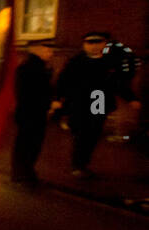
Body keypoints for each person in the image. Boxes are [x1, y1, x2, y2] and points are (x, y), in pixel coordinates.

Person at [55, 31, 142, 177]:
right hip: (79, 103)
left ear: (104, 44)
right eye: (90, 43)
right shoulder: (75, 62)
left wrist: (131, 98)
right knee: (81, 134)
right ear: (84, 45)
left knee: (93, 134)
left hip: (100, 102)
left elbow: (118, 83)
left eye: (98, 43)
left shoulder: (109, 62)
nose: (94, 47)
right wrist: (58, 99)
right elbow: (63, 81)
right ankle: (78, 164)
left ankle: (82, 164)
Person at [11, 38, 55, 184]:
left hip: (29, 112)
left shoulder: (35, 67)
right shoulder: (32, 68)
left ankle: (23, 172)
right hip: (32, 112)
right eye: (47, 50)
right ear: (36, 50)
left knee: (27, 143)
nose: (51, 53)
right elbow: (35, 92)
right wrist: (48, 103)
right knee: (29, 144)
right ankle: (23, 173)